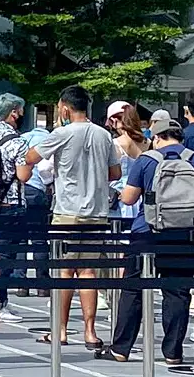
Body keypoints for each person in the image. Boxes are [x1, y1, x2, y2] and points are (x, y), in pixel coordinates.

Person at [17, 85, 123, 350]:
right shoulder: (103, 135)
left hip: (66, 212)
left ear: (64, 107)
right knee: (88, 271)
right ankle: (90, 331)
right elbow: (115, 173)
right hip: (97, 213)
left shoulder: (61, 133)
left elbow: (30, 157)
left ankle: (61, 330)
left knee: (64, 271)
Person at [104, 119, 193, 364]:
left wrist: (117, 193)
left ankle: (121, 349)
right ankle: (173, 352)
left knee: (133, 289)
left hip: (147, 232)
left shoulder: (147, 160)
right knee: (177, 292)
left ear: (156, 137)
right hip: (184, 234)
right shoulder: (192, 158)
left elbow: (130, 198)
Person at [0, 92, 39, 324]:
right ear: (13, 113)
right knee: (6, 256)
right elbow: (23, 175)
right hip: (11, 203)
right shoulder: (17, 142)